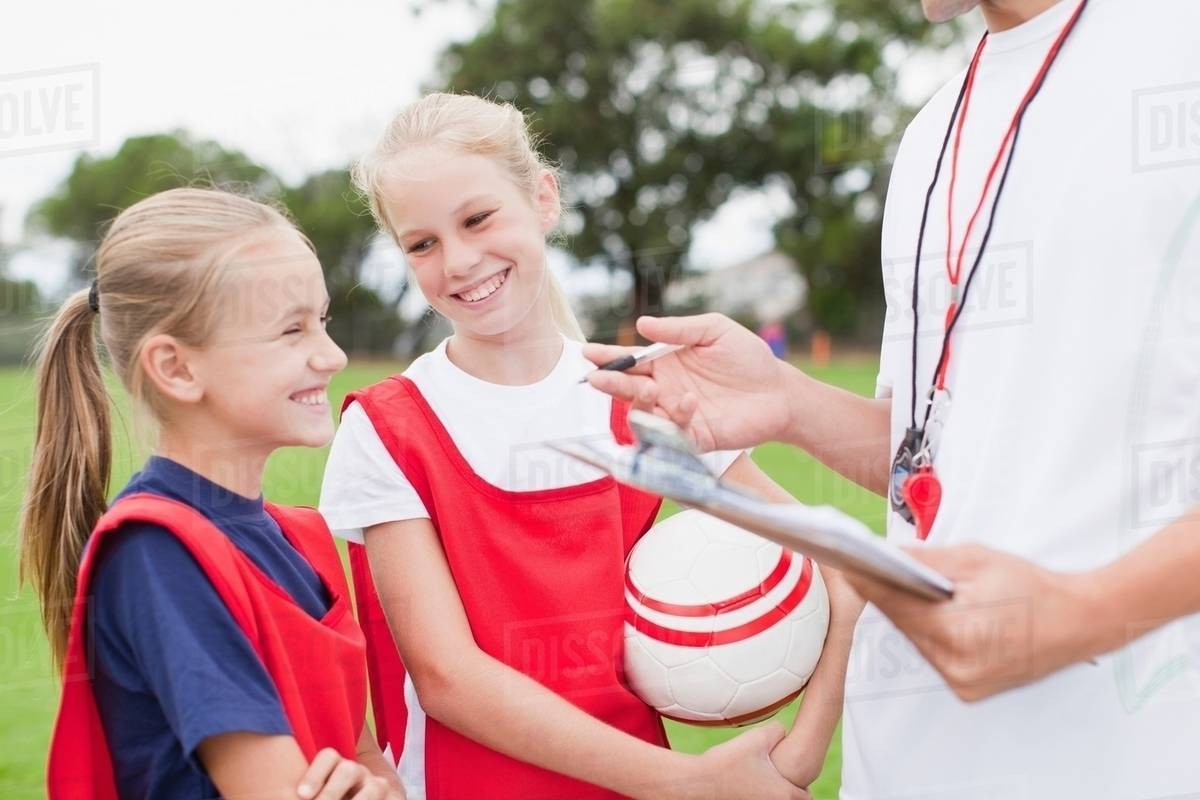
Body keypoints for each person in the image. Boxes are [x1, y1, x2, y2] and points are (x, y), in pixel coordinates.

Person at [583, 0, 1200, 797]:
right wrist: (786, 401)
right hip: (906, 759)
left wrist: (1084, 610)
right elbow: (932, 460)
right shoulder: (930, 134)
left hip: (1137, 757)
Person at [318, 92, 841, 800]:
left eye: (477, 218)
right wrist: (686, 784)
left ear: (543, 197)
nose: (461, 260)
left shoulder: (645, 399)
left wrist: (795, 763)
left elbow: (839, 564)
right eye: (423, 244)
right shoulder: (387, 428)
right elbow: (447, 681)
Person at [21, 188, 403, 799]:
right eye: (291, 330)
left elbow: (366, 762)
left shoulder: (304, 539)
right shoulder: (158, 553)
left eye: (323, 320)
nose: (331, 355)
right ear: (175, 369)